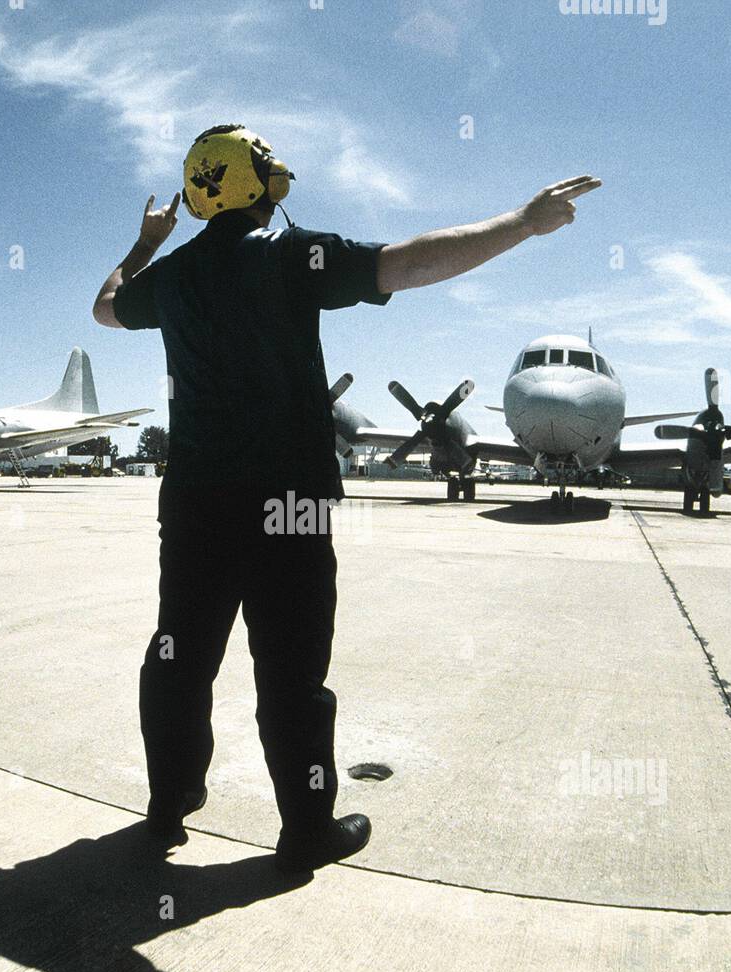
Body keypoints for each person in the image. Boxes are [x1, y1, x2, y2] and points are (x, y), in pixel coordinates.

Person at [93, 123, 599, 872]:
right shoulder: (294, 256)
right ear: (261, 180)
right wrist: (522, 224)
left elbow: (107, 307)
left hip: (196, 508)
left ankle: (168, 807)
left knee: (177, 659)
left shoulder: (170, 280)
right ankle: (305, 832)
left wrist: (146, 242)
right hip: (288, 508)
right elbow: (409, 262)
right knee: (292, 675)